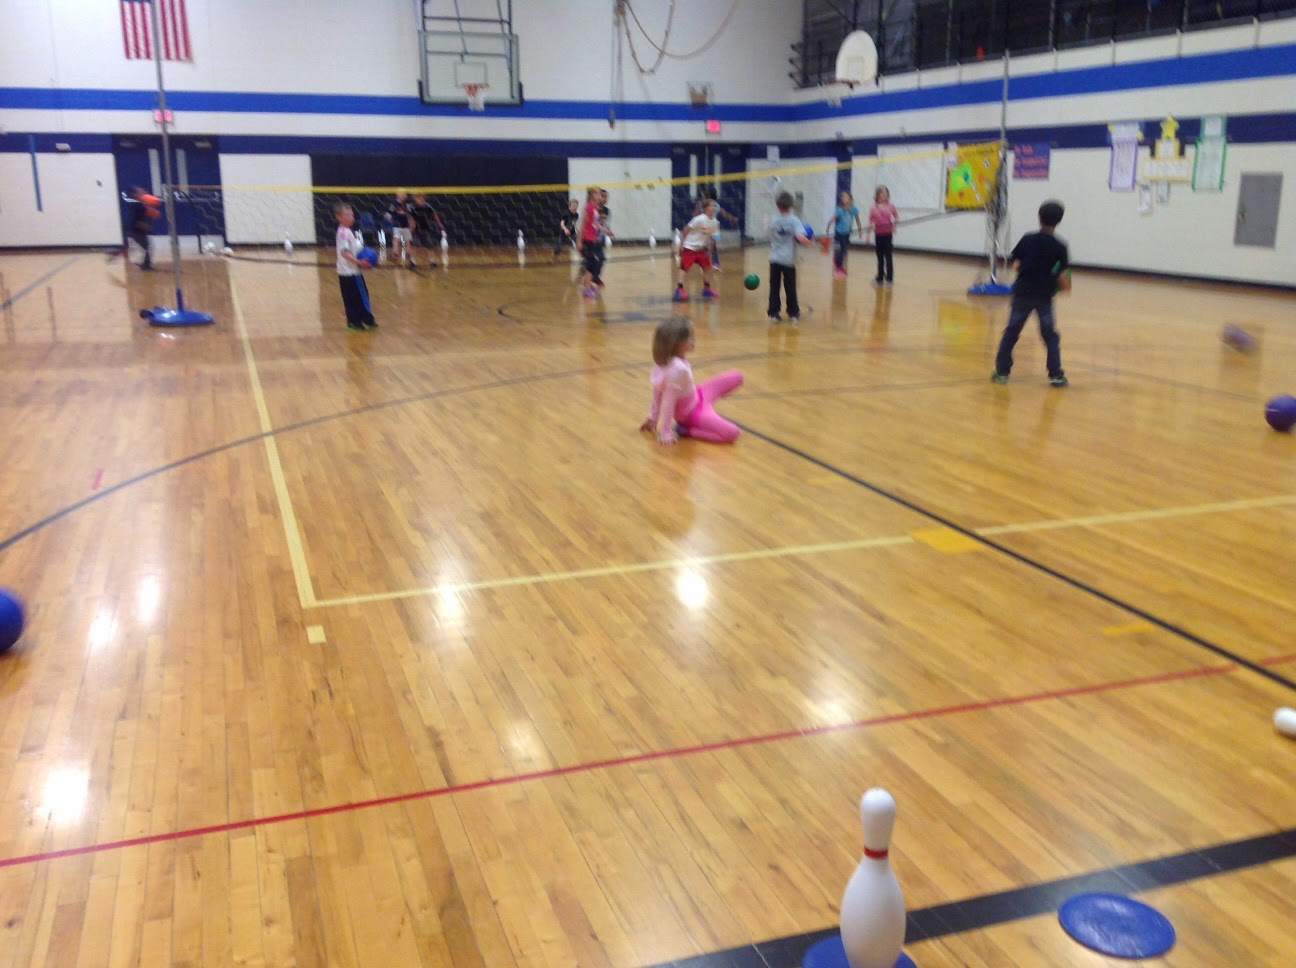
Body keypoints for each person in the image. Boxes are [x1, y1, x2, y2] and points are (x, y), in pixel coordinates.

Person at [992, 199, 1070, 387]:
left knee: (1012, 331)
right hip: (1044, 296)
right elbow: (1063, 276)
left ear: (1039, 218)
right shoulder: (1060, 246)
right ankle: (1056, 374)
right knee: (1049, 334)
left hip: (1023, 293)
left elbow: (1017, 265)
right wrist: (1061, 285)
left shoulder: (1027, 239)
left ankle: (1002, 373)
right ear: (1059, 221)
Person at [639, 319, 743, 445]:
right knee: (732, 433)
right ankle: (686, 430)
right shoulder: (678, 370)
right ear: (676, 344)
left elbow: (657, 392)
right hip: (691, 413)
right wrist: (666, 431)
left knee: (737, 376)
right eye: (690, 338)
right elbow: (668, 401)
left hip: (697, 395)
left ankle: (708, 417)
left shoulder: (664, 360)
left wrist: (653, 417)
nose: (694, 341)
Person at [768, 191, 813, 323]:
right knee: (790, 287)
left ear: (778, 206)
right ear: (791, 205)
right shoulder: (794, 220)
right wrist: (810, 243)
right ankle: (793, 313)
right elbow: (800, 237)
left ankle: (774, 313)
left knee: (774, 287)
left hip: (774, 259)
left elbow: (770, 232)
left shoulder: (774, 220)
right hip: (788, 260)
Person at [334, 202, 377, 331]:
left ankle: (353, 322)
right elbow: (345, 252)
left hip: (344, 272)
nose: (352, 217)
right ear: (339, 217)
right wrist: (360, 262)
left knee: (350, 298)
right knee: (361, 297)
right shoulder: (345, 233)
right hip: (352, 272)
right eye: (348, 215)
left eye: (352, 214)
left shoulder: (343, 231)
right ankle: (367, 320)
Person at [674, 199, 720, 302]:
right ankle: (679, 289)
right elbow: (686, 230)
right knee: (684, 268)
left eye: (715, 206)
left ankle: (707, 289)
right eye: (711, 206)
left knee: (707, 268)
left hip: (701, 249)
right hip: (690, 247)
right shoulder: (699, 219)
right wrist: (681, 244)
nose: (713, 208)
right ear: (705, 208)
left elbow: (714, 237)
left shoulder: (715, 222)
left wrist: (710, 250)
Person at [690, 191, 739, 269]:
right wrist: (733, 219)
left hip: (711, 227)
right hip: (706, 227)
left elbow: (724, 214)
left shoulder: (708, 205)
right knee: (707, 245)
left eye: (704, 197)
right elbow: (725, 214)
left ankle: (714, 263)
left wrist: (733, 219)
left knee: (711, 245)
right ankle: (710, 262)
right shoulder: (703, 205)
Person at [577, 187, 609, 297]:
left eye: (600, 194)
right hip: (587, 239)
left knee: (596, 261)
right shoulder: (588, 208)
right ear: (592, 195)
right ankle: (586, 288)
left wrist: (605, 231)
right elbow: (583, 226)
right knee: (591, 263)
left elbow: (595, 224)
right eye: (597, 193)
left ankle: (588, 286)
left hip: (594, 239)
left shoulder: (595, 208)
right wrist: (579, 241)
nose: (599, 196)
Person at [826, 190, 864, 279]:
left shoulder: (854, 209)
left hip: (847, 233)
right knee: (841, 250)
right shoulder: (839, 210)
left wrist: (860, 230)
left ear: (850, 199)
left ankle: (840, 266)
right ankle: (838, 268)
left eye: (846, 197)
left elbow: (858, 220)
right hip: (839, 233)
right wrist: (828, 229)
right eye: (842, 197)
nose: (843, 198)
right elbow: (832, 220)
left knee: (844, 250)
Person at [866, 186, 900, 285]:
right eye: (882, 193)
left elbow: (896, 217)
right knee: (879, 256)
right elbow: (871, 221)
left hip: (888, 234)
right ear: (878, 194)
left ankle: (889, 278)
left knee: (888, 255)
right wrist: (868, 234)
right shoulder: (873, 207)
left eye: (886, 193)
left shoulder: (891, 205)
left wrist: (894, 224)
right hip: (878, 234)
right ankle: (880, 277)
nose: (884, 195)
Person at [124, 186, 161, 270]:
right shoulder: (137, 206)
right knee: (147, 247)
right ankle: (146, 265)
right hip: (136, 232)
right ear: (136, 195)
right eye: (141, 193)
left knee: (147, 247)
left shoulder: (141, 205)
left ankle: (145, 264)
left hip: (137, 231)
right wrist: (144, 226)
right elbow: (135, 221)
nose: (143, 194)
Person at [410, 194, 444, 268]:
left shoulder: (427, 207)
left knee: (430, 246)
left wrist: (440, 224)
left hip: (425, 229)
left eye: (421, 199)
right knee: (416, 245)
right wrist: (412, 226)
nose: (419, 200)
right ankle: (413, 261)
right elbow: (411, 217)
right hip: (416, 230)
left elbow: (435, 215)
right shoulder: (413, 207)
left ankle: (432, 261)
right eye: (417, 199)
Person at [387, 190, 413, 267]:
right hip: (397, 226)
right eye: (402, 194)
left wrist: (411, 224)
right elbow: (388, 213)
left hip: (406, 226)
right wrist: (390, 219)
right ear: (398, 195)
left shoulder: (407, 205)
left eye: (405, 194)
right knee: (396, 240)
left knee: (408, 242)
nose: (404, 196)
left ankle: (408, 259)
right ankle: (395, 255)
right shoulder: (394, 204)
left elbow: (410, 215)